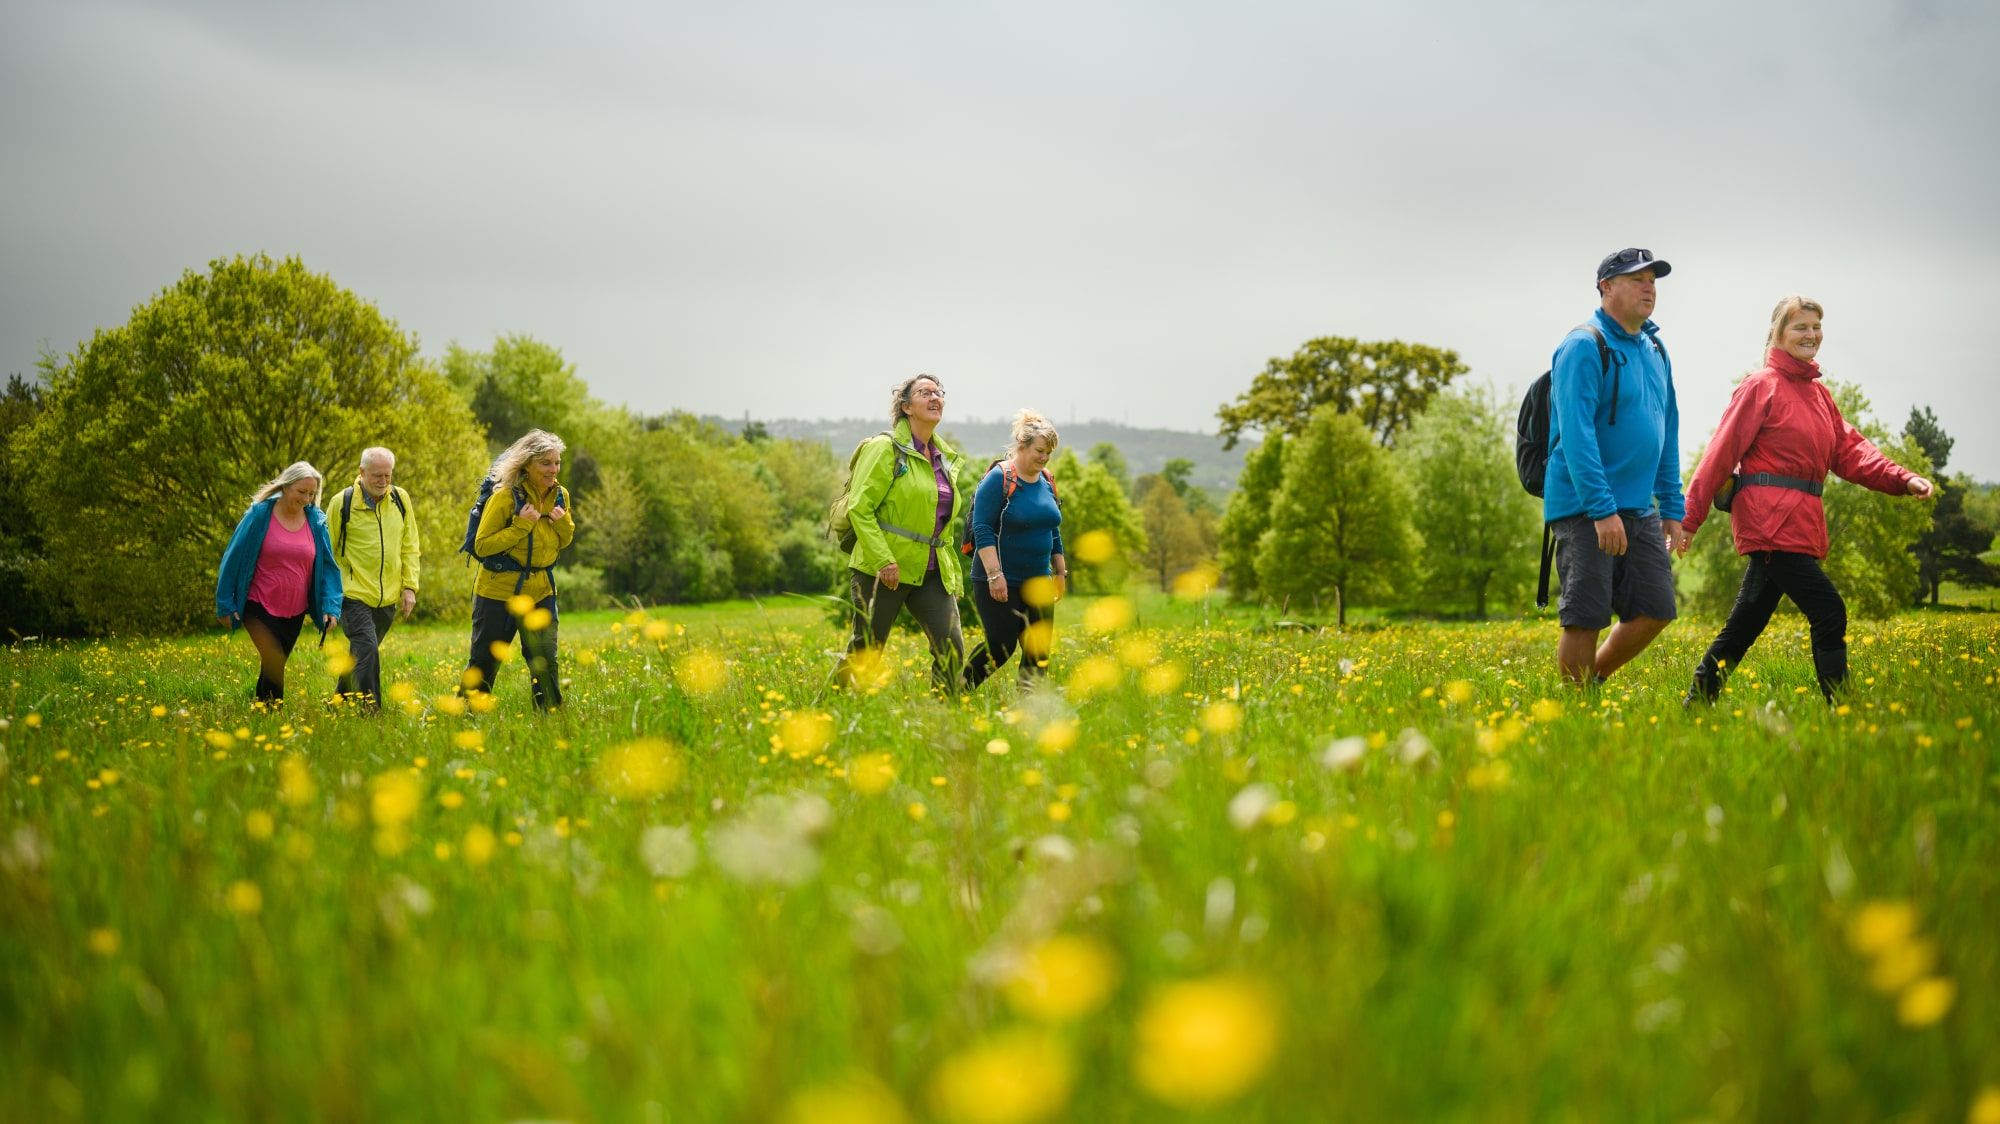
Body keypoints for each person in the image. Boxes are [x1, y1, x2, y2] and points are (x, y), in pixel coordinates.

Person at [1678, 296, 1933, 704]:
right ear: (1778, 334)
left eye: (1816, 326)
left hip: (1802, 523)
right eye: (1801, 327)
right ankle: (1841, 707)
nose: (1811, 334)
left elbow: (1852, 453)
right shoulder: (1760, 386)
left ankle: (1698, 699)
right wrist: (1689, 518)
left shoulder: (1819, 396)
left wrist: (1904, 479)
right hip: (1770, 523)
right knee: (1829, 609)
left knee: (1746, 623)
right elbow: (1720, 453)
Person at [1543, 247, 1688, 686]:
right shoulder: (1583, 346)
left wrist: (1672, 507)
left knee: (1657, 608)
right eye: (1636, 280)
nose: (1649, 288)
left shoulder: (1655, 348)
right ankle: (1573, 710)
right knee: (1585, 616)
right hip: (1586, 507)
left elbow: (1667, 430)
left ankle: (1589, 683)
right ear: (1606, 288)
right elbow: (1576, 435)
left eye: (1653, 281)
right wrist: (1601, 510)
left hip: (1639, 508)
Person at [836, 374, 968, 692]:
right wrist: (883, 560)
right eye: (925, 393)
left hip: (931, 570)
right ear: (907, 406)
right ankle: (832, 710)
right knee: (866, 649)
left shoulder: (944, 459)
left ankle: (945, 718)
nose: (935, 397)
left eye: (939, 392)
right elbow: (859, 508)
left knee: (951, 647)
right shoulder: (885, 448)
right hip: (883, 570)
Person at [462, 429, 574, 710]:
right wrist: (521, 525)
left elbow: (564, 540)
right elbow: (483, 545)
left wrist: (562, 524)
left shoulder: (561, 496)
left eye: (557, 462)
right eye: (546, 463)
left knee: (545, 658)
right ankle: (466, 715)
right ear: (527, 465)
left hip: (542, 590)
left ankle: (549, 716)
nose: (554, 469)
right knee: (485, 660)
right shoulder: (504, 497)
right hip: (499, 591)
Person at [215, 462, 342, 706]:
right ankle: (275, 715)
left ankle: (262, 711)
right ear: (285, 487)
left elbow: (328, 566)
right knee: (274, 658)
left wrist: (330, 607)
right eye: (301, 492)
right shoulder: (259, 515)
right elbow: (233, 556)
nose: (307, 498)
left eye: (311, 493)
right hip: (257, 603)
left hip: (294, 608)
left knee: (276, 662)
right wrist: (224, 603)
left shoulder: (316, 521)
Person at [964, 410, 1068, 690]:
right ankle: (955, 691)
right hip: (1000, 579)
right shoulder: (999, 478)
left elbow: (1052, 528)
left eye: (1048, 452)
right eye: (1040, 450)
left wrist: (1060, 571)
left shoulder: (1046, 480)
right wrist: (994, 575)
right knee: (1000, 646)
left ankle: (1028, 713)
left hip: (1039, 580)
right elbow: (982, 527)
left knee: (1038, 651)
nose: (1044, 457)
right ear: (1022, 446)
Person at [329, 447, 421, 711]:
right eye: (377, 476)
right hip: (353, 593)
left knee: (361, 654)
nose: (383, 482)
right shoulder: (342, 503)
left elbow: (410, 545)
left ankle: (337, 702)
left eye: (387, 476)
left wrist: (409, 587)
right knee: (368, 649)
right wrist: (329, 596)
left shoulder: (400, 500)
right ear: (361, 473)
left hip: (388, 596)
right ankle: (371, 711)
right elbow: (327, 552)